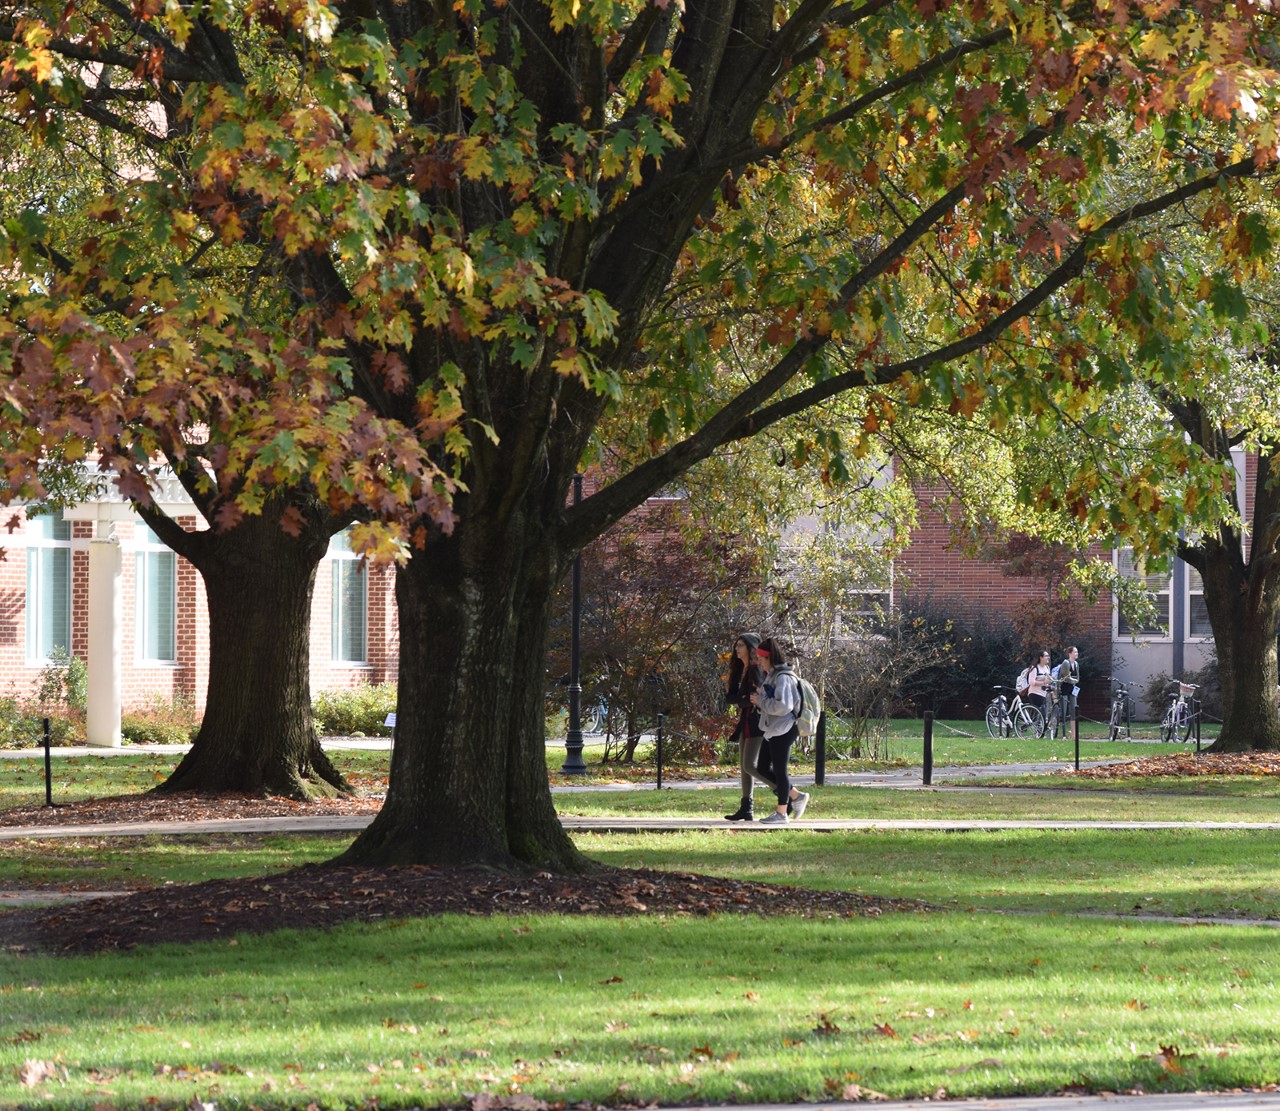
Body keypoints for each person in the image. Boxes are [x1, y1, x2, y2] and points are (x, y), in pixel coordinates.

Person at [749, 636, 811, 824]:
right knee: (762, 768)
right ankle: (796, 795)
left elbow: (783, 705)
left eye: (760, 658)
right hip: (774, 729)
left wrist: (760, 701)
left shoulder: (783, 677)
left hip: (784, 728)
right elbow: (774, 699)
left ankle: (782, 813)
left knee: (779, 770)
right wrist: (762, 696)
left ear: (769, 658)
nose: (758, 662)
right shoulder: (773, 675)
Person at [723, 633, 776, 821]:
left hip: (757, 721)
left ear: (750, 648)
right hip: (745, 720)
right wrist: (741, 701)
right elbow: (731, 698)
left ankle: (787, 792)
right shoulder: (739, 669)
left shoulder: (755, 669)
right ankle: (747, 807)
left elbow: (755, 698)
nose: (736, 649)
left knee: (750, 765)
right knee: (744, 767)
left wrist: (743, 701)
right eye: (736, 645)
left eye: (740, 646)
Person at [1051, 645, 1081, 729]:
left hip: (1073, 687)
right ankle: (1063, 730)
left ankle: (1073, 731)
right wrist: (1074, 680)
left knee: (1073, 709)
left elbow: (1078, 677)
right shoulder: (1066, 663)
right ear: (1070, 653)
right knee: (1064, 709)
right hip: (1064, 687)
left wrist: (1074, 681)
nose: (1076, 653)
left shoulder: (1076, 664)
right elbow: (1066, 677)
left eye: (1077, 652)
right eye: (1075, 652)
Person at [1017, 649, 1053, 715]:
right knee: (1041, 714)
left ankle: (1038, 724)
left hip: (1043, 693)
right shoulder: (1034, 668)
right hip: (1035, 693)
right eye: (1046, 656)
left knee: (1042, 715)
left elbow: (1047, 681)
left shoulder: (1047, 668)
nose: (1048, 657)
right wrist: (1044, 682)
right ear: (1041, 658)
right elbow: (1031, 682)